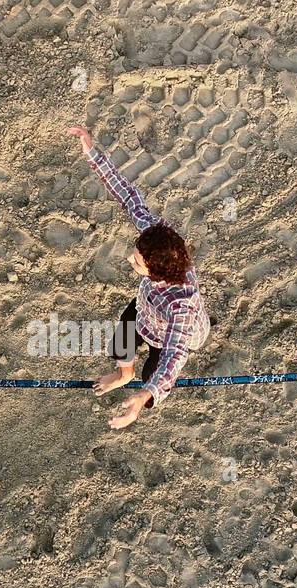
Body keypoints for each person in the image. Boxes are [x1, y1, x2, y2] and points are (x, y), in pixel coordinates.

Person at [66, 126, 211, 429]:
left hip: (168, 331)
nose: (130, 259)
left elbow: (174, 356)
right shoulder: (157, 237)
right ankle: (123, 375)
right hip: (146, 308)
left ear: (157, 270)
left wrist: (144, 397)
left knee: (153, 376)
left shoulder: (181, 307)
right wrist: (93, 153)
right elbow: (129, 198)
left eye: (137, 261)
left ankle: (138, 385)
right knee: (121, 344)